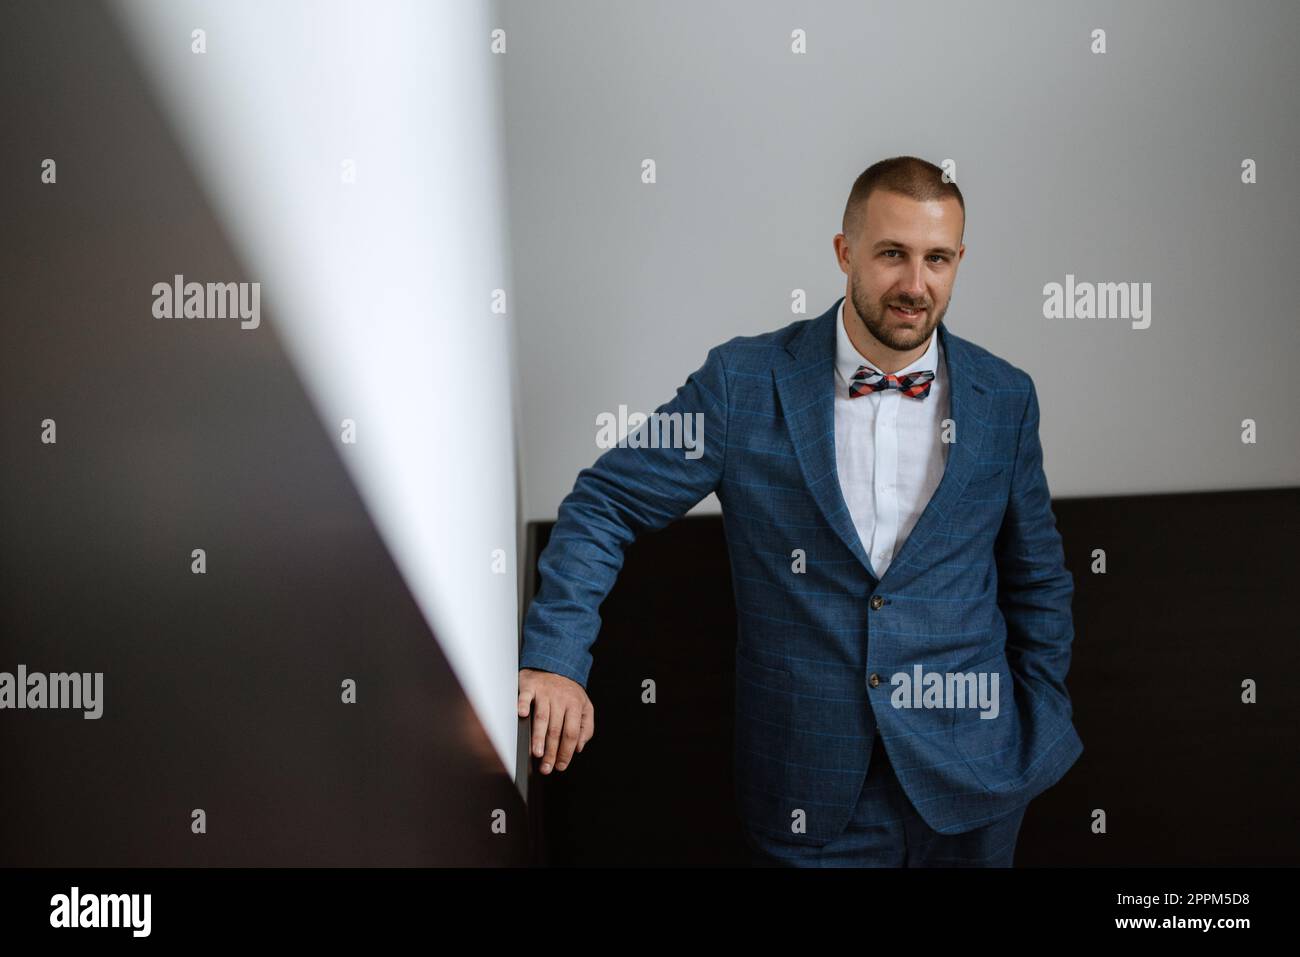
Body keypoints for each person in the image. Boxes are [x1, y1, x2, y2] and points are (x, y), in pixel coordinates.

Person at [517, 155, 1082, 866]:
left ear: (959, 259)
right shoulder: (741, 384)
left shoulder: (1006, 397)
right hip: (808, 792)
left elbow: (1038, 578)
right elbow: (606, 501)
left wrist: (1039, 710)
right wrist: (557, 660)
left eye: (937, 258)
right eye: (891, 254)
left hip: (977, 784)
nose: (915, 284)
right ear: (845, 252)